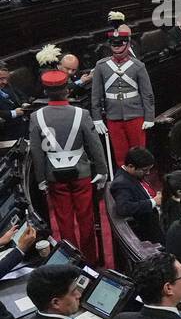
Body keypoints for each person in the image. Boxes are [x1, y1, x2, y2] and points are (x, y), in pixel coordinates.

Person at [31, 70, 108, 259]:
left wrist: (41, 179)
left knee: (64, 220)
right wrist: (102, 170)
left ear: (46, 91)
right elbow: (94, 145)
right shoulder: (81, 113)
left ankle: (72, 259)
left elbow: (37, 152)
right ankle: (89, 259)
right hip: (81, 173)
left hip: (54, 175)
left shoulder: (36, 117)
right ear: (66, 90)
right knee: (85, 218)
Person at [91, 25, 156, 168]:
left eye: (120, 43)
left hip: (135, 114)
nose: (117, 47)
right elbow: (96, 94)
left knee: (139, 153)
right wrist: (96, 117)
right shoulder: (101, 66)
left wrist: (149, 116)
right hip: (113, 115)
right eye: (114, 44)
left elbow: (147, 93)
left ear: (127, 43)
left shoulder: (138, 66)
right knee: (120, 155)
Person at [109, 146, 163, 244]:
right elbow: (124, 208)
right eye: (145, 170)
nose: (148, 173)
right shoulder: (122, 183)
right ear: (131, 166)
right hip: (148, 233)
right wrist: (153, 201)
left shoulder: (131, 175)